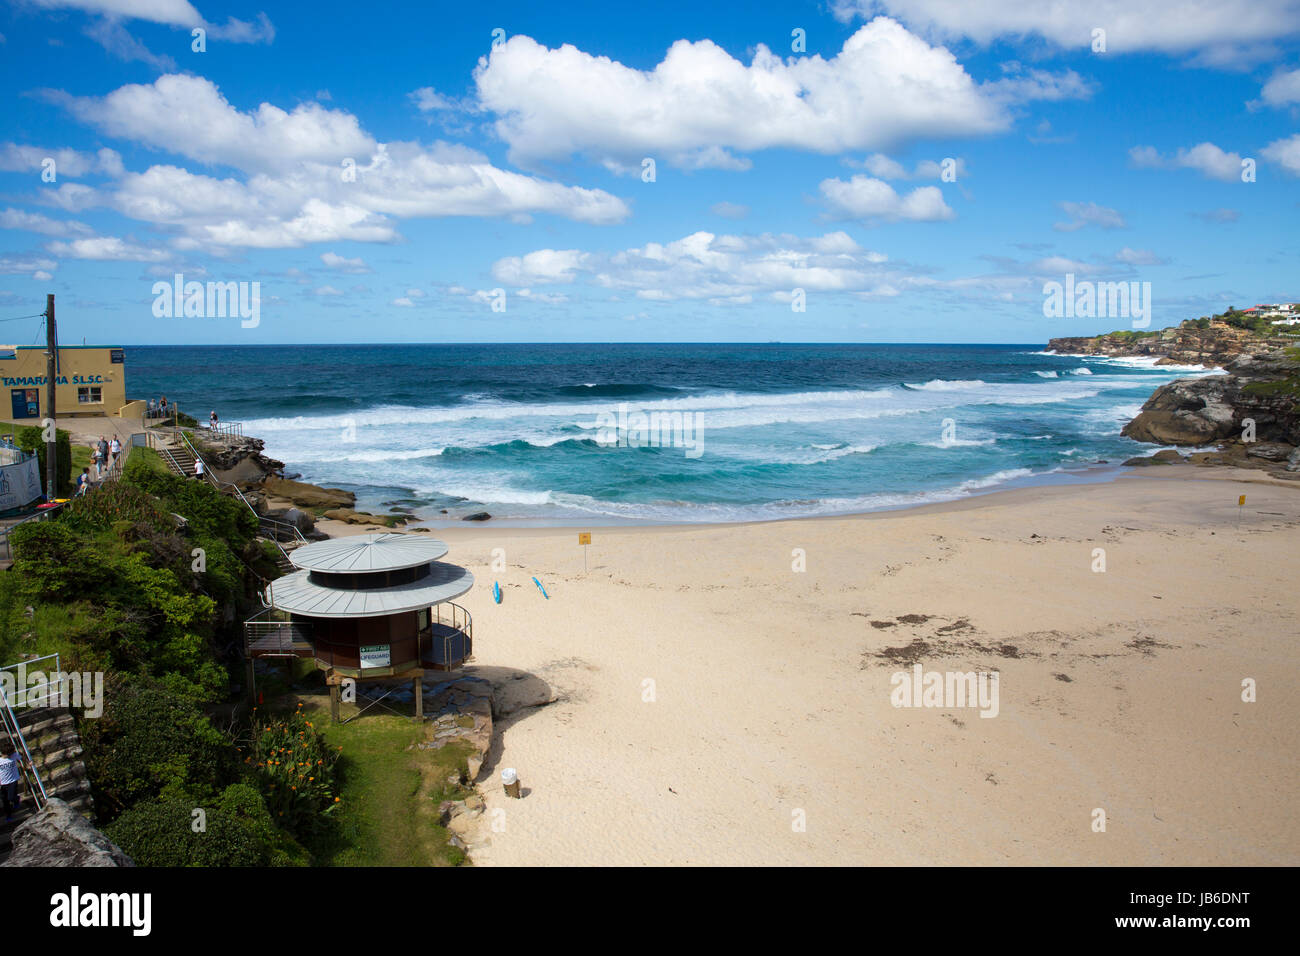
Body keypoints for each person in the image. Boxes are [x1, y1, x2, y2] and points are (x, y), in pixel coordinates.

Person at [0, 747, 26, 821]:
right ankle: (8, 816)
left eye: (9, 755)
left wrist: (29, 763)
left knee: (11, 797)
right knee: (5, 801)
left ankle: (16, 799)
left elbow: (22, 758)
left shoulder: (14, 755)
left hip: (13, 781)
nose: (7, 756)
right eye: (6, 755)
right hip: (3, 783)